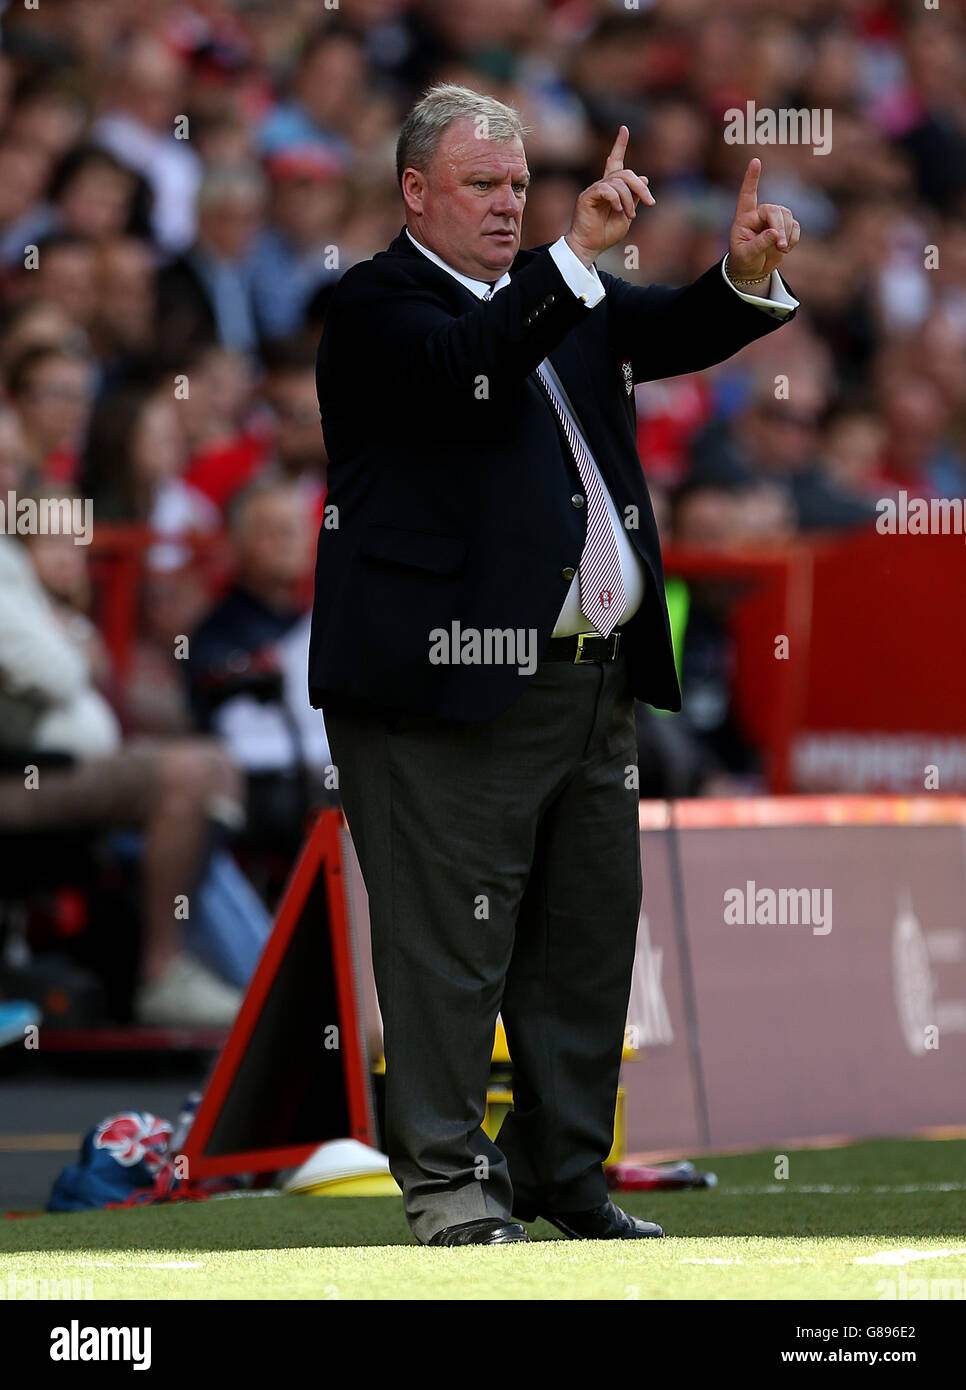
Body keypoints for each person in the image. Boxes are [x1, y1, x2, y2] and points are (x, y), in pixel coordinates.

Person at [308, 84, 800, 1247]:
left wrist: (737, 276)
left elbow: (668, 331)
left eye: (520, 185)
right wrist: (572, 256)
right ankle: (448, 1190)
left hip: (592, 684)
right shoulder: (375, 305)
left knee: (584, 945)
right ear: (415, 190)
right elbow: (470, 372)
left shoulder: (563, 301)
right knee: (448, 952)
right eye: (483, 184)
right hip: (451, 685)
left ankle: (564, 1178)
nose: (508, 204)